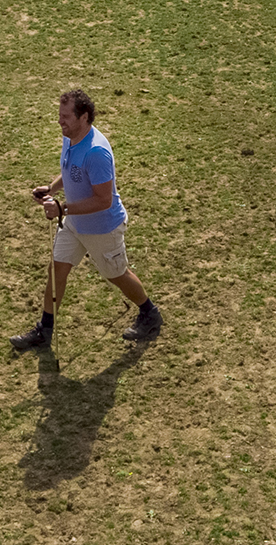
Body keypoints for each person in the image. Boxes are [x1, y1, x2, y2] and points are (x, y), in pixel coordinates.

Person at [11, 87, 163, 350]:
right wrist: (51, 189)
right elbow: (69, 169)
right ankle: (44, 330)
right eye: (60, 115)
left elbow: (103, 200)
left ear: (84, 117)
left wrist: (62, 209)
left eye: (66, 116)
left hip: (102, 228)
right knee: (57, 269)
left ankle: (150, 314)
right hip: (74, 225)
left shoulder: (96, 153)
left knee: (116, 274)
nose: (60, 121)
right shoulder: (70, 137)